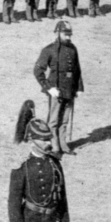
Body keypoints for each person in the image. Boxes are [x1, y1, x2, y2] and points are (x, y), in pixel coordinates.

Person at [33, 21, 83, 155]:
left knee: (65, 119)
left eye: (70, 34)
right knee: (54, 120)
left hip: (70, 90)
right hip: (56, 90)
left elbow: (77, 70)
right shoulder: (49, 50)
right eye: (66, 34)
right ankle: (55, 147)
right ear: (58, 33)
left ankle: (63, 144)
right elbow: (38, 71)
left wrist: (78, 88)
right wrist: (49, 88)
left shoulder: (73, 48)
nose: (68, 37)